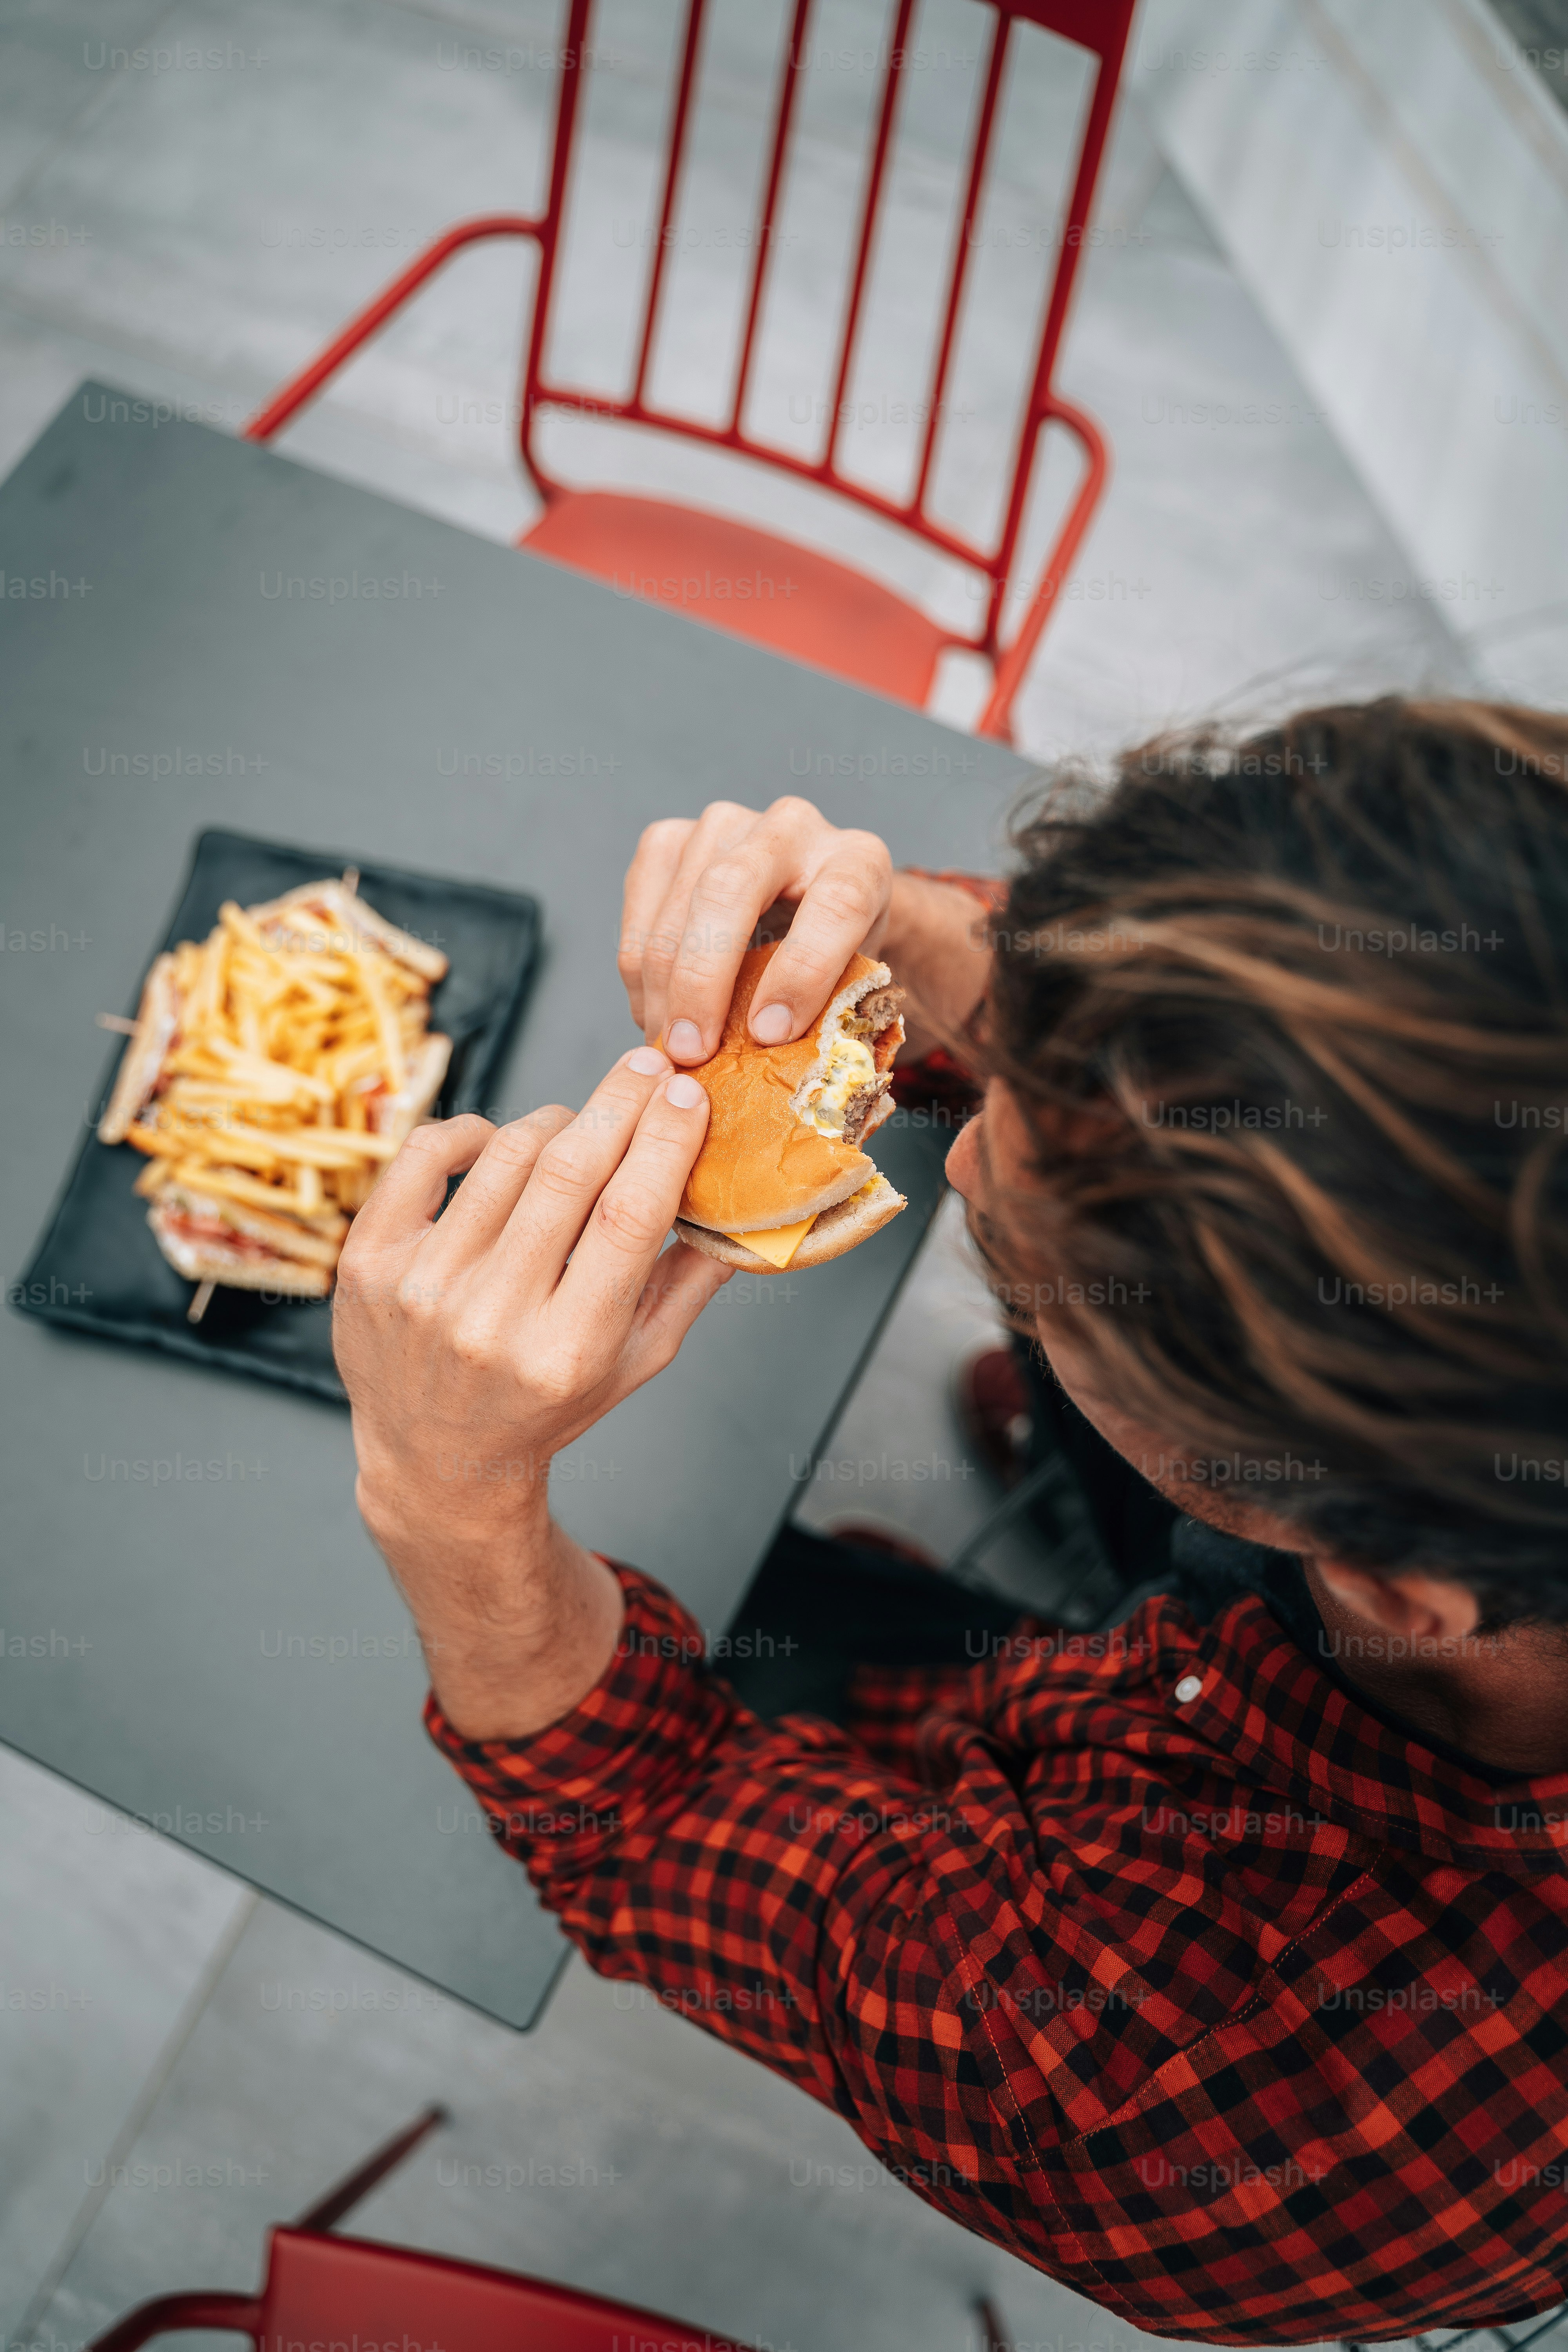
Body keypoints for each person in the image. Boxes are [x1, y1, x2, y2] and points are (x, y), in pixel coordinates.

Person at [333, 697, 1568, 2346]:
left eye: (1035, 1282)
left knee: (825, 1643)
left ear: (1393, 1586)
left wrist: (446, 1497)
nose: (960, 1153)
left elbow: (650, 1823)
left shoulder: (1164, 2100)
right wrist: (956, 957)